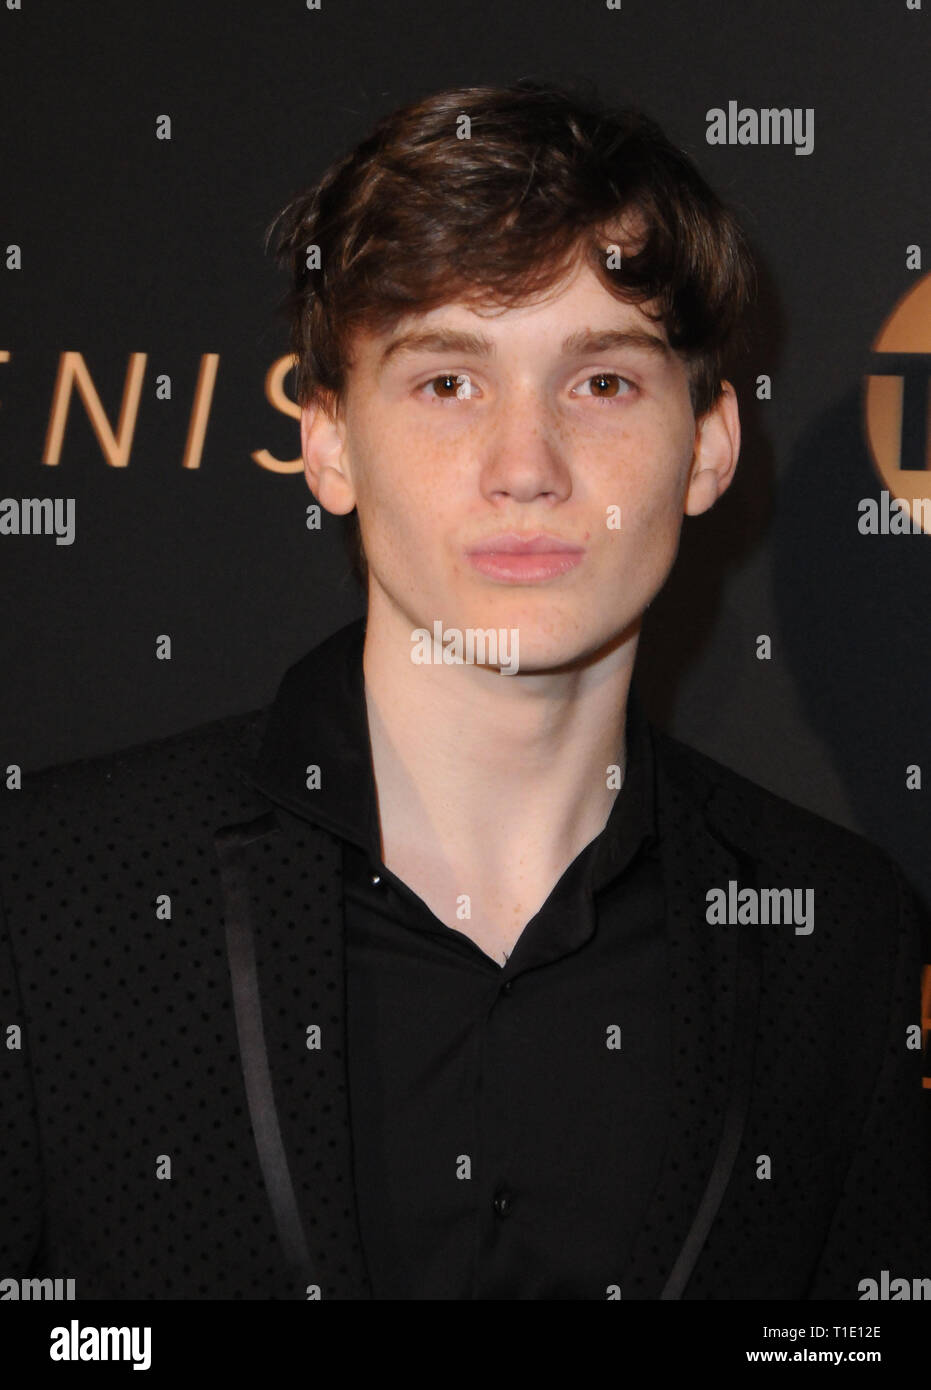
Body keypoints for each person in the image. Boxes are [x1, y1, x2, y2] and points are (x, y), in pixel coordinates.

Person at [1, 80, 928, 1302]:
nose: (524, 467)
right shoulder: (51, 898)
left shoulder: (837, 936)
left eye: (601, 382)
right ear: (327, 442)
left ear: (708, 445)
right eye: (448, 382)